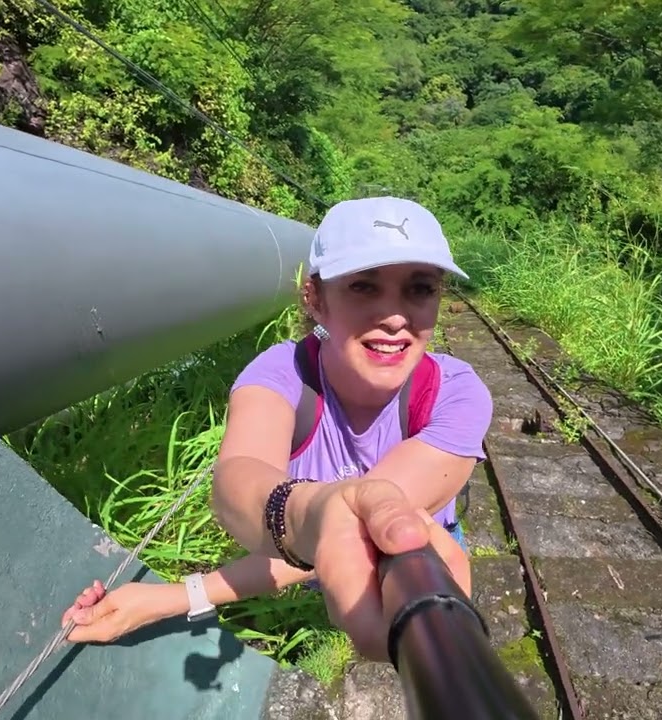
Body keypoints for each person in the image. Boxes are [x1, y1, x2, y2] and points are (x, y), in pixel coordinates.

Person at [61, 196, 494, 663]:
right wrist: (318, 516)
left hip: (416, 551)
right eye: (364, 287)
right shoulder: (281, 374)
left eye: (420, 289)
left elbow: (361, 535)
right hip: (300, 555)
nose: (394, 318)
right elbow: (238, 482)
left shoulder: (456, 394)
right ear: (315, 299)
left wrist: (174, 596)